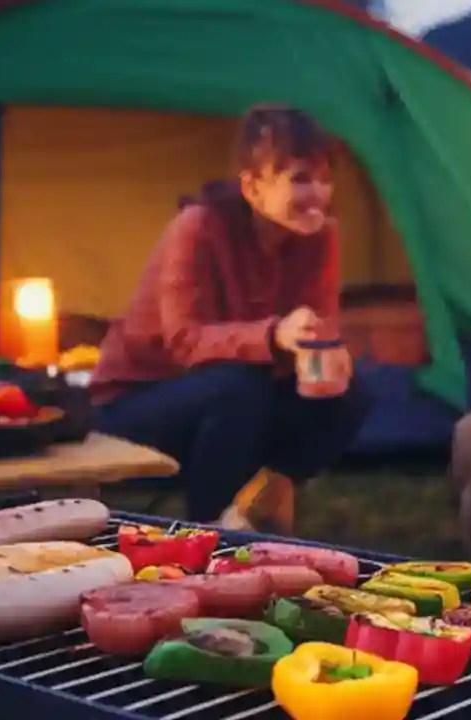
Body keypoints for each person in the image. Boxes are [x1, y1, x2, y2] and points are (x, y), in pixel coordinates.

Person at [89, 104, 371, 534]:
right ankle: (209, 532)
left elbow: (316, 326)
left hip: (243, 396)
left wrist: (326, 354)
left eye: (324, 179)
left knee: (350, 394)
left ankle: (257, 504)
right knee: (239, 387)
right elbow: (184, 342)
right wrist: (275, 336)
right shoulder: (198, 227)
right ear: (253, 187)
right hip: (140, 400)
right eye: (300, 179)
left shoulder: (319, 237)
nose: (318, 193)